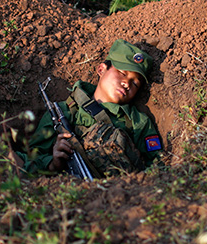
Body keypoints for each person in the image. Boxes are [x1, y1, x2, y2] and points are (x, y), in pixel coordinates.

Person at [14, 39, 163, 177]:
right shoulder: (63, 113)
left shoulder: (137, 122)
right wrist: (53, 162)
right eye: (122, 73)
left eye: (135, 83)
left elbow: (158, 167)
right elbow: (31, 160)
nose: (127, 83)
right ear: (101, 69)